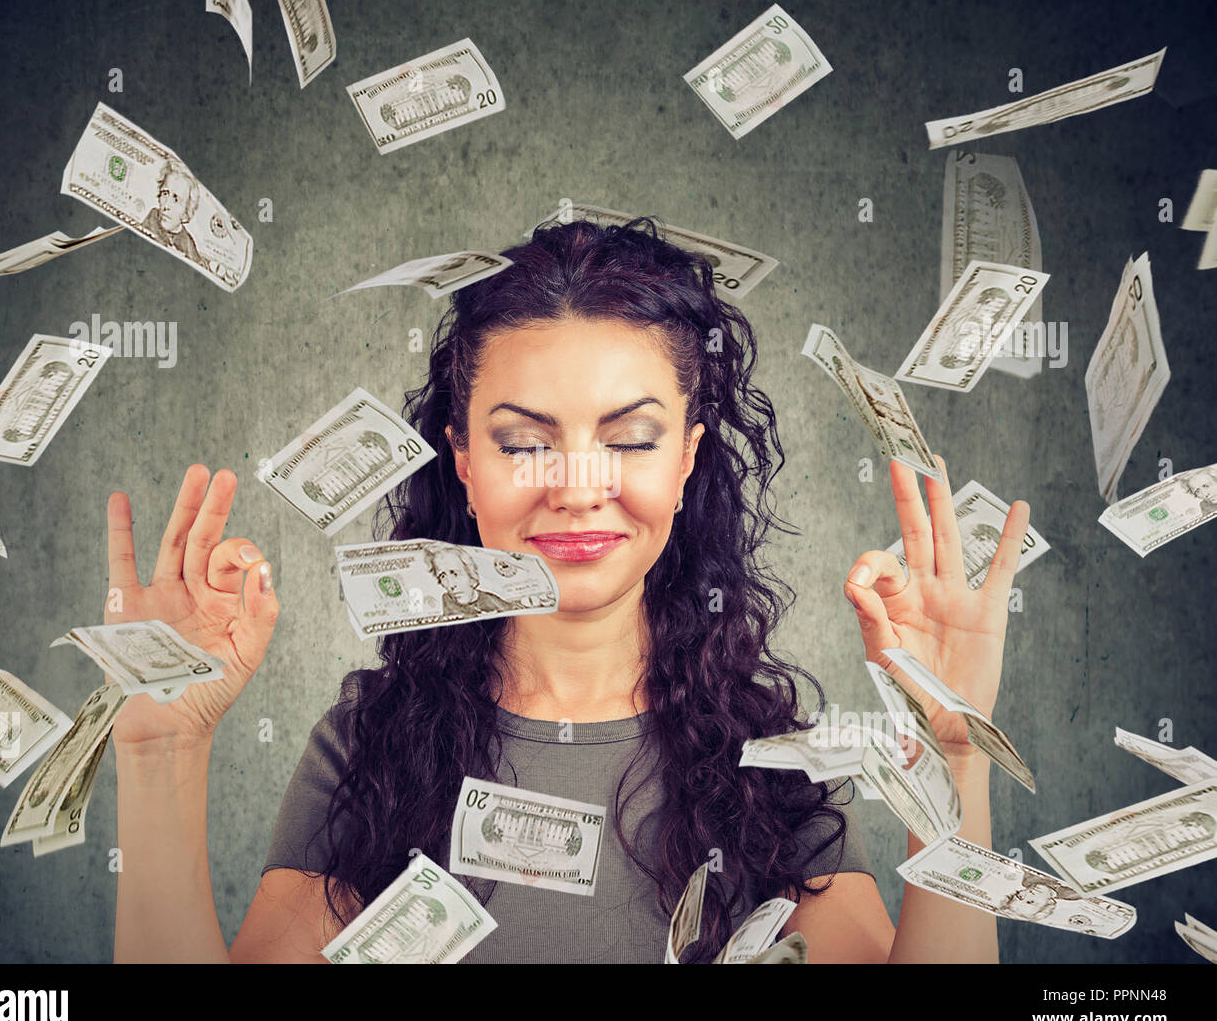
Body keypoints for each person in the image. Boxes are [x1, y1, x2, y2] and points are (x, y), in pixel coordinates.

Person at [108, 217, 1030, 963]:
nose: (579, 484)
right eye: (523, 441)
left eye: (629, 437)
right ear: (463, 460)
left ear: (686, 461)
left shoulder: (772, 766)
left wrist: (956, 760)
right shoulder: (369, 744)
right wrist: (160, 759)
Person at [140, 158, 205, 267]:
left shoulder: (189, 244)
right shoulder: (152, 220)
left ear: (186, 213)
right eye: (165, 193)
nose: (166, 206)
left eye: (176, 199)